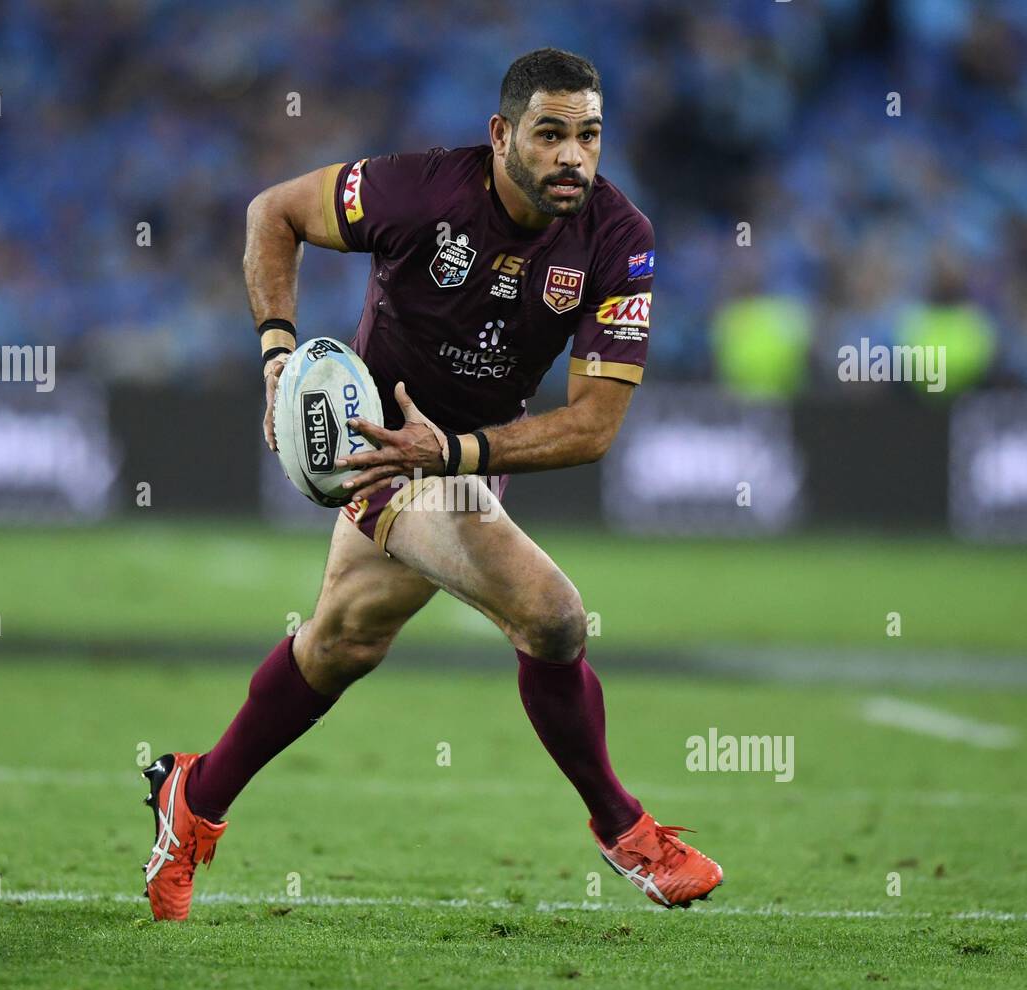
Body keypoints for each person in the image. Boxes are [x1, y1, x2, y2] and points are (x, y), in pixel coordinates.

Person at [141, 47, 722, 920]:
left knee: (342, 641)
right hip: (379, 450)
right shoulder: (420, 192)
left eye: (589, 136)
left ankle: (194, 797)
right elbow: (274, 213)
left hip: (455, 459)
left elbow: (595, 426)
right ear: (501, 136)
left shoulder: (618, 238)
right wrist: (273, 354)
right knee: (554, 614)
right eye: (551, 133)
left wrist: (452, 451)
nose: (573, 156)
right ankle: (625, 829)